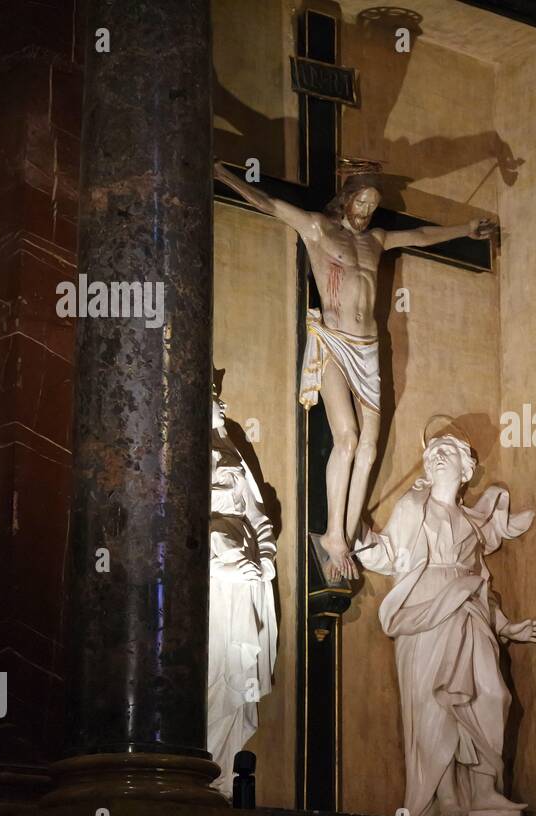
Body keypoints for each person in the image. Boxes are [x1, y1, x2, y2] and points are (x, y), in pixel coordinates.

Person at [213, 159, 497, 583]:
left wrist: (462, 229)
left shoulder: (377, 239)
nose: (366, 211)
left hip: (368, 348)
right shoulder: (317, 229)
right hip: (334, 342)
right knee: (347, 438)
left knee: (370, 447)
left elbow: (419, 235)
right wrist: (225, 177)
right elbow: (269, 203)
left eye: (373, 204)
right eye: (361, 201)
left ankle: (345, 533)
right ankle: (333, 535)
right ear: (347, 199)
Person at [358, 434, 536, 816]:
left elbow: (482, 582)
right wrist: (352, 534)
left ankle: (485, 791)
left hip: (469, 612)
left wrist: (506, 626)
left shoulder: (472, 525)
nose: (439, 457)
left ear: (466, 470)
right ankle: (444, 797)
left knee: (492, 696)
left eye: (449, 453)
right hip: (423, 613)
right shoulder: (413, 507)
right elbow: (390, 553)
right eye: (434, 454)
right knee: (433, 707)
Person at [207, 391, 278, 798]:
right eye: (214, 398)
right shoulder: (180, 450)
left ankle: (221, 773)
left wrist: (264, 556)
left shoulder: (231, 450)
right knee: (214, 668)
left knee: (239, 667)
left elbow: (258, 515)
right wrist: (226, 563)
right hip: (215, 575)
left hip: (247, 573)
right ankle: (201, 769)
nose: (223, 405)